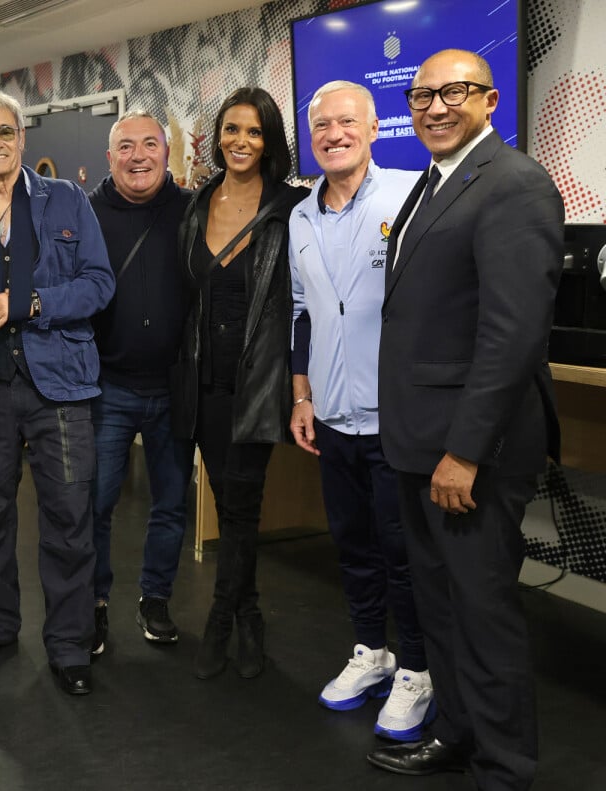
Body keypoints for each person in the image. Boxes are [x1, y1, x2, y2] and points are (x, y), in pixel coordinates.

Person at [367, 50, 563, 789]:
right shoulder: (434, 181)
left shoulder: (514, 184)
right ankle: (457, 733)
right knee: (441, 607)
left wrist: (465, 452)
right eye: (422, 95)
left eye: (455, 92)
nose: (436, 106)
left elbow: (511, 337)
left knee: (483, 615)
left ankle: (506, 768)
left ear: (490, 101)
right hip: (421, 443)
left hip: (470, 452)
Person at [0, 91, 115, 696]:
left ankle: (68, 643)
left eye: (5, 132)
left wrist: (33, 304)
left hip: (60, 386)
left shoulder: (66, 202)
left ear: (22, 139)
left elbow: (98, 284)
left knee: (67, 519)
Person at [287, 80, 432, 740]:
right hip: (334, 416)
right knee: (354, 546)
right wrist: (301, 394)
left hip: (396, 419)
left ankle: (418, 671)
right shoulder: (301, 216)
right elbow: (301, 313)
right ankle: (372, 652)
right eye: (322, 125)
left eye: (348, 122)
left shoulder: (410, 194)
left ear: (375, 128)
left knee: (404, 553)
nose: (334, 133)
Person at [172, 87, 308, 681]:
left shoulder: (292, 207)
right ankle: (250, 616)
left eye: (253, 132)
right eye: (231, 129)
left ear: (269, 140)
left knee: (245, 507)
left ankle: (221, 621)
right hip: (205, 385)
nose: (240, 142)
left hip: (259, 385)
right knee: (229, 507)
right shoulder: (197, 204)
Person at [86, 111, 193, 654]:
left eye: (150, 144)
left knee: (171, 503)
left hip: (175, 388)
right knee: (96, 503)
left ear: (166, 152)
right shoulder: (85, 215)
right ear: (111, 158)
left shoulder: (193, 209)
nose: (138, 156)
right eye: (125, 147)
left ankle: (156, 599)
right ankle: (96, 604)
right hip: (109, 387)